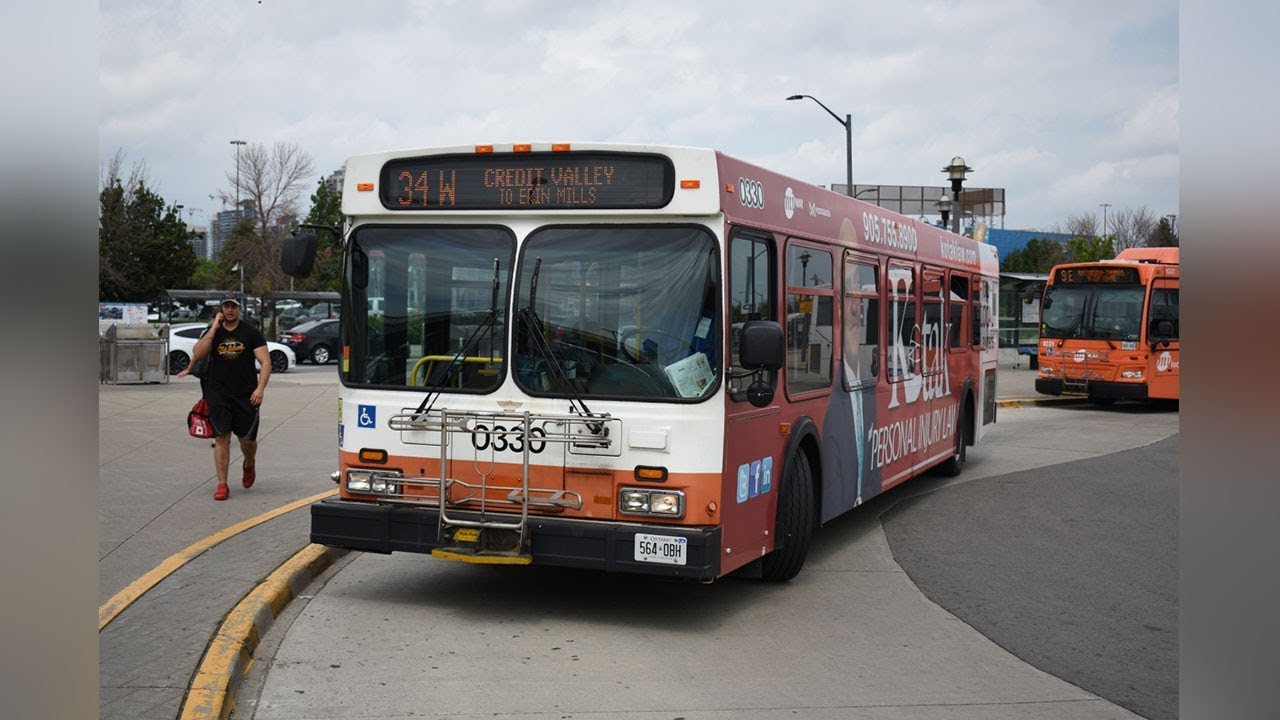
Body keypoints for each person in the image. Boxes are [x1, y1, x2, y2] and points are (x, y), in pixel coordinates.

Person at [190, 292, 271, 500]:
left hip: (246, 395)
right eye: (226, 306)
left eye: (233, 306)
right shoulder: (212, 332)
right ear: (221, 309)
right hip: (218, 394)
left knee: (247, 442)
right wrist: (214, 328)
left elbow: (266, 363)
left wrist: (260, 389)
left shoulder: (251, 333)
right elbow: (198, 353)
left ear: (239, 309)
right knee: (221, 438)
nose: (229, 310)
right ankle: (222, 484)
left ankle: (249, 463)